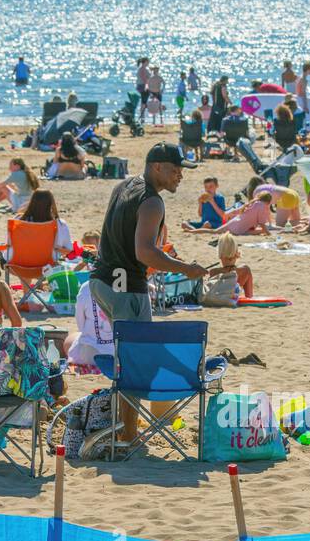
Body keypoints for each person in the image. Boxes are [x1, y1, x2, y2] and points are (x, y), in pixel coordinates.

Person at [90, 143, 205, 442]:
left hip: (101, 281)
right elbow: (144, 252)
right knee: (134, 362)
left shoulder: (123, 186)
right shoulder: (153, 202)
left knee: (127, 357)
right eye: (175, 169)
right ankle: (128, 434)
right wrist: (185, 269)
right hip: (126, 288)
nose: (180, 175)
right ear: (156, 167)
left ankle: (124, 427)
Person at [213, 232, 254, 298]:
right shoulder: (245, 270)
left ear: (220, 254)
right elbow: (249, 297)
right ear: (237, 253)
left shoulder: (214, 272)